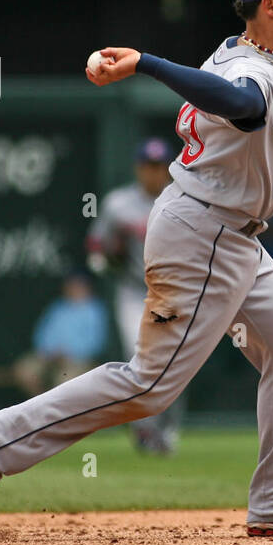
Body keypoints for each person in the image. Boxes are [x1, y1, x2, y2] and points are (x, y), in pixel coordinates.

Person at [0, 0, 273, 537]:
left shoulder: (257, 62)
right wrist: (146, 63)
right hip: (205, 236)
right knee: (151, 385)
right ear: (269, 6)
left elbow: (249, 169)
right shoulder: (249, 74)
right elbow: (240, 105)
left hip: (233, 229)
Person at [86, 137, 185, 455]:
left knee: (173, 359)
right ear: (138, 168)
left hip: (171, 290)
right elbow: (97, 244)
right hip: (132, 289)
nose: (152, 172)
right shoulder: (118, 203)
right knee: (138, 355)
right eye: (147, 165)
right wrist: (105, 257)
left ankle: (167, 427)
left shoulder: (183, 199)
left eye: (158, 166)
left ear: (168, 168)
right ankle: (145, 429)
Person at [12, 273, 110, 397]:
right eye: (71, 285)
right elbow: (41, 334)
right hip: (49, 356)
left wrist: (69, 352)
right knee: (24, 370)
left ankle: (59, 407)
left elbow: (96, 342)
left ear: (87, 287)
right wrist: (50, 350)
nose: (74, 289)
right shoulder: (58, 307)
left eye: (78, 285)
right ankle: (43, 403)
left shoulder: (96, 310)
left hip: (79, 359)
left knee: (64, 381)